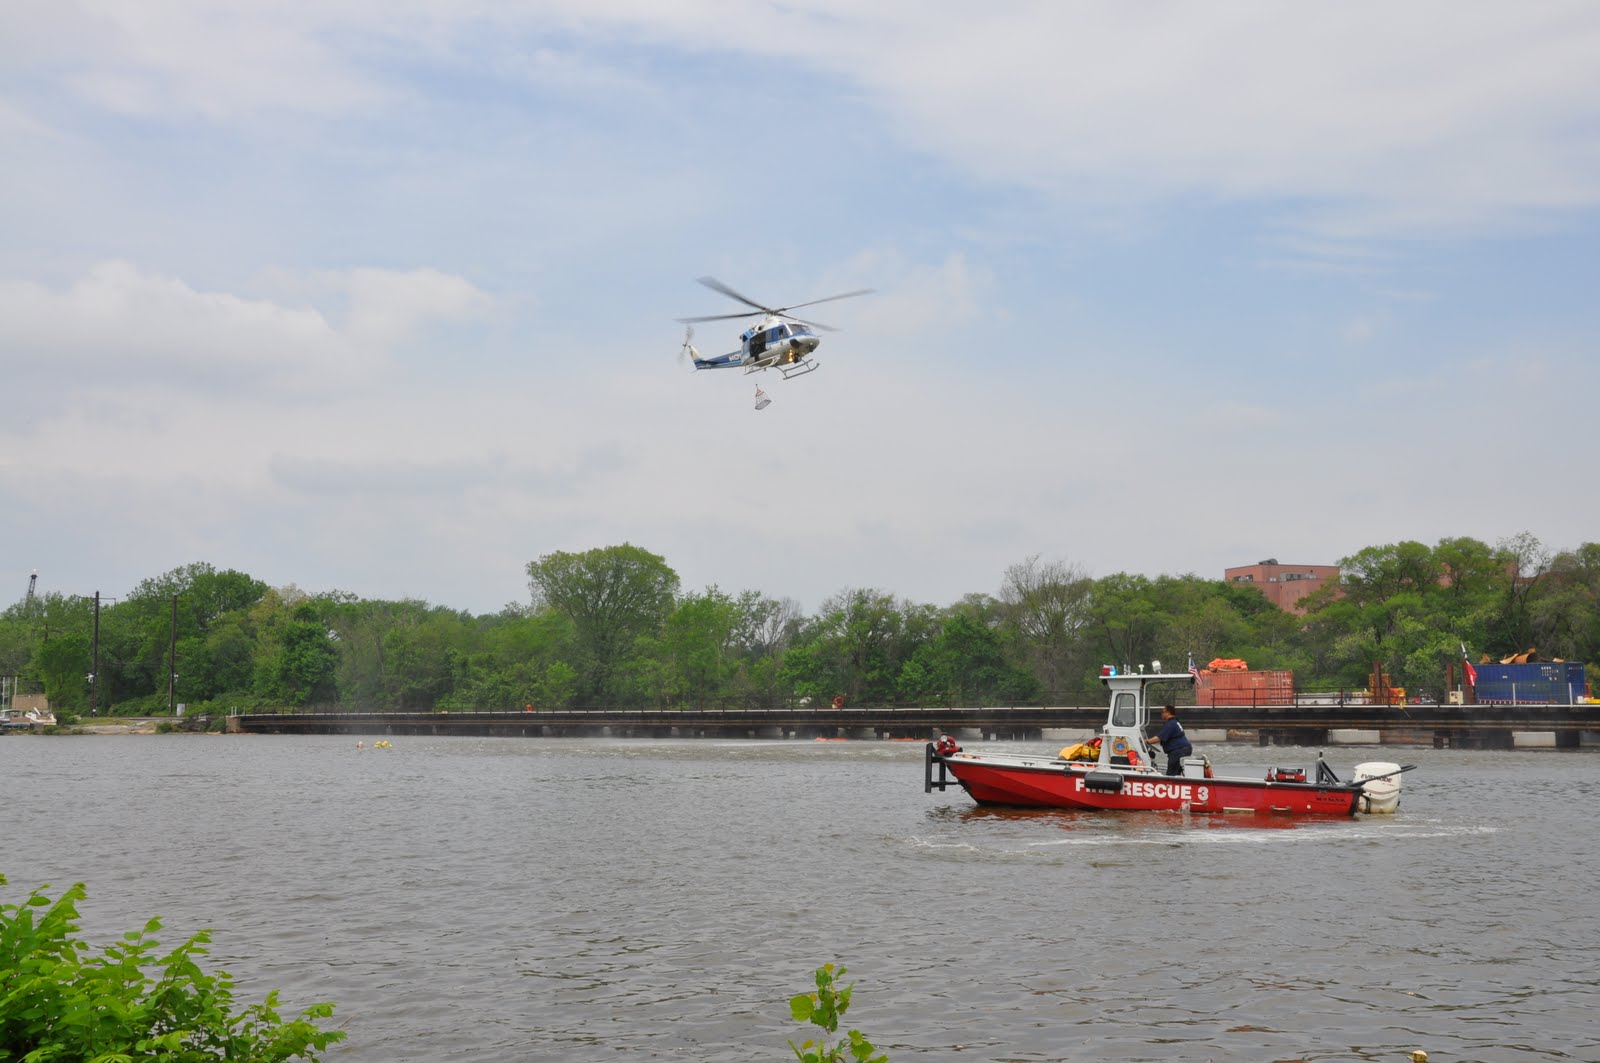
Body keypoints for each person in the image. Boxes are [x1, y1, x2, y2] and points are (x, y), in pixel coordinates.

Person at [1148, 704, 1192, 777]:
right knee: (1176, 772)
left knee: (1171, 773)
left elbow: (1159, 738)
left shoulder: (1171, 724)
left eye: (1162, 711)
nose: (1161, 714)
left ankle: (1170, 785)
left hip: (1178, 751)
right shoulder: (1175, 722)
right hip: (1182, 749)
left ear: (1168, 712)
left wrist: (1146, 741)